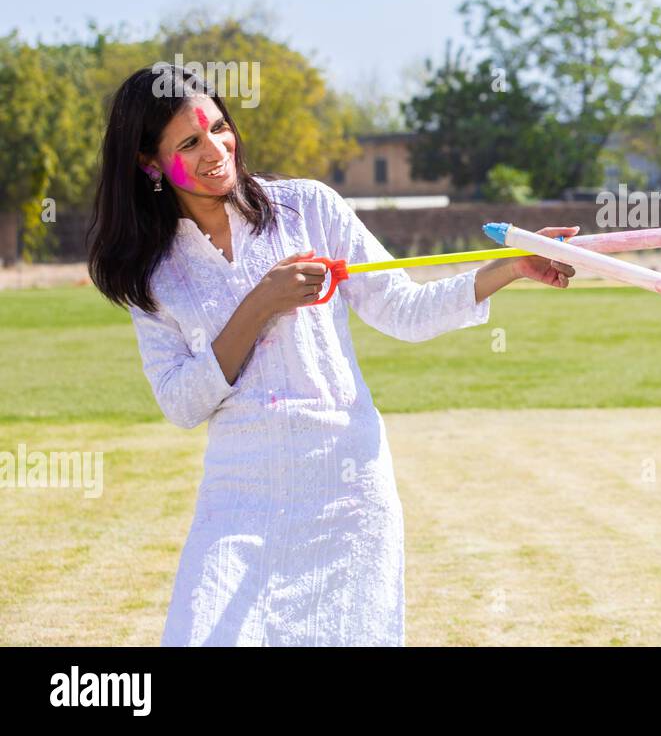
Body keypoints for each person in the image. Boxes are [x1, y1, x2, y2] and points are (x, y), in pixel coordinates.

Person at [87, 64, 576, 646]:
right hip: (239, 497)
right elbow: (182, 403)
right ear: (149, 164)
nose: (216, 150)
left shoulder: (308, 207)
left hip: (347, 490)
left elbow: (404, 310)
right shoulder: (154, 273)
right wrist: (260, 304)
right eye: (189, 143)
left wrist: (511, 267)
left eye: (219, 127)